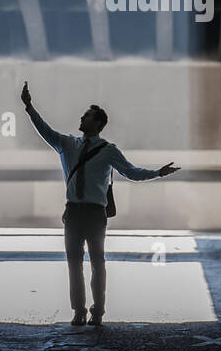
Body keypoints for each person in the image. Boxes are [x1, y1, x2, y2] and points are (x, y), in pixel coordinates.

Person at [22, 81, 179, 326]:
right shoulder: (68, 143)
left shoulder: (108, 150)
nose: (81, 118)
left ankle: (98, 309)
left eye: (86, 116)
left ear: (97, 123)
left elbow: (132, 172)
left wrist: (158, 172)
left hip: (95, 213)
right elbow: (45, 130)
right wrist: (29, 107)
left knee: (97, 262)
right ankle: (79, 310)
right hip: (74, 211)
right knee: (75, 263)